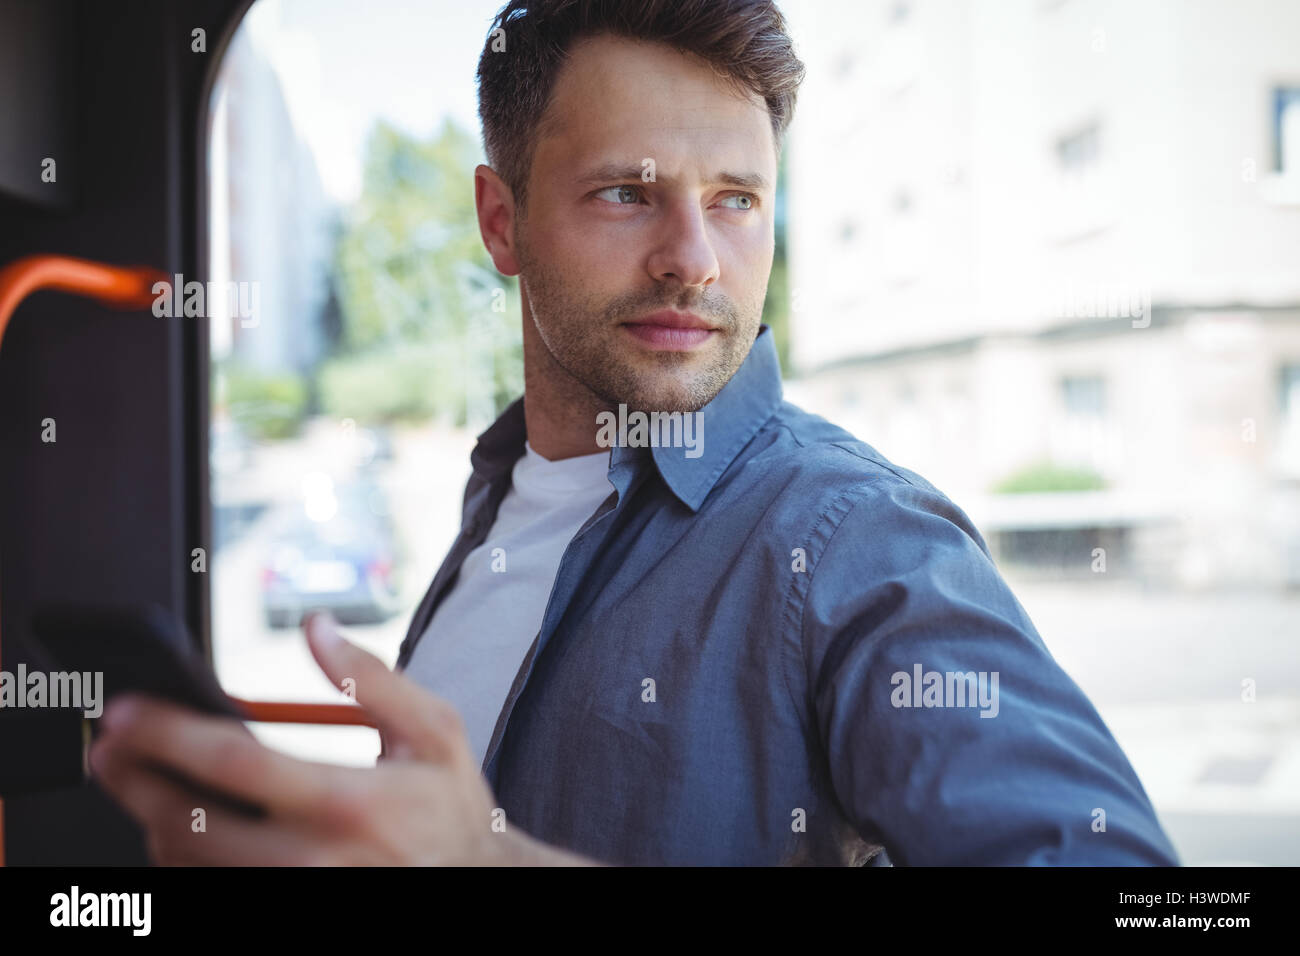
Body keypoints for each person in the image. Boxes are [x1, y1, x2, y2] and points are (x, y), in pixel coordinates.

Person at [92, 0, 1180, 866]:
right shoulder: (498, 496)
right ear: (500, 220)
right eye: (627, 193)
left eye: (739, 200)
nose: (695, 258)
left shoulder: (857, 538)